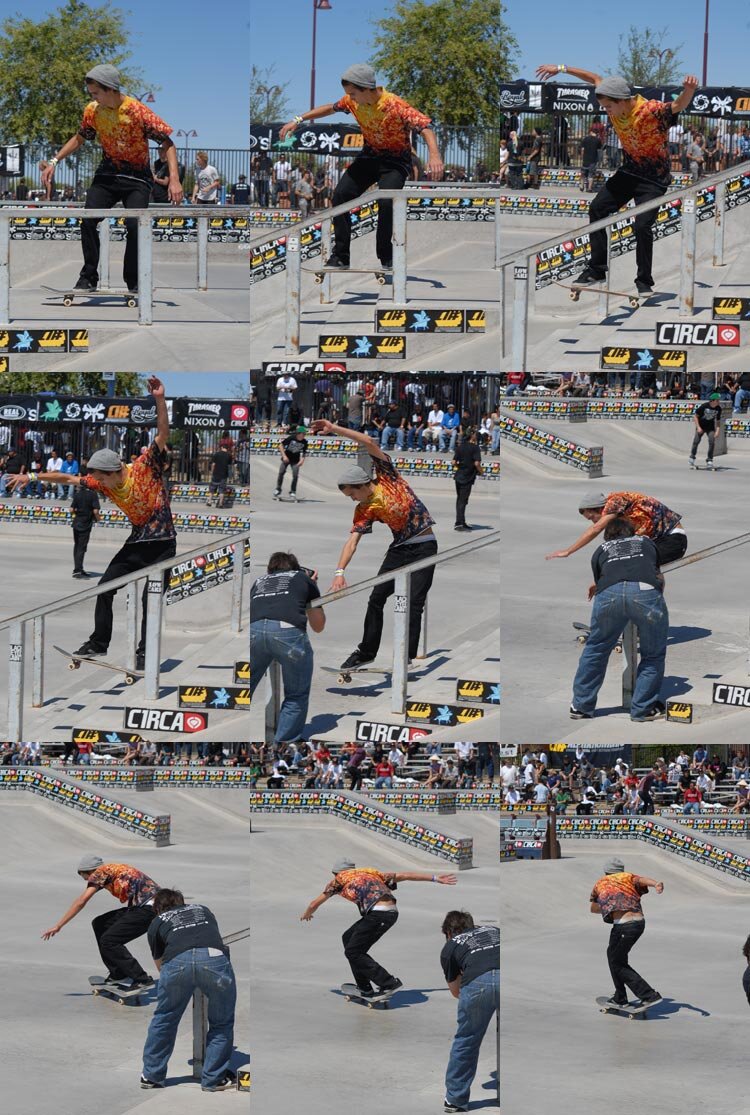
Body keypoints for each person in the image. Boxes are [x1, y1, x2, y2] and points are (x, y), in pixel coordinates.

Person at [10, 378, 175, 671]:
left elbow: (162, 432)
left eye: (99, 478)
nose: (95, 484)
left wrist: (160, 399)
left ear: (112, 472)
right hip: (137, 543)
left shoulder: (143, 467)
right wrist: (32, 477)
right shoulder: (104, 483)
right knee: (103, 588)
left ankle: (144, 652)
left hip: (163, 544)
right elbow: (67, 478)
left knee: (150, 601)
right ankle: (98, 644)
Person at [536, 63, 698, 293]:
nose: (607, 112)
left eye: (609, 107)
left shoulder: (650, 110)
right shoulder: (610, 93)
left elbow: (677, 105)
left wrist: (689, 90)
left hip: (653, 180)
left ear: (622, 100)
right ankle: (597, 269)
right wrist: (561, 68)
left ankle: (644, 281)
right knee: (597, 209)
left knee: (642, 226)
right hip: (629, 171)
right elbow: (593, 76)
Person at [279, 63, 443, 271]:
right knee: (340, 196)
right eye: (349, 94)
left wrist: (435, 155)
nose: (351, 98)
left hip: (395, 163)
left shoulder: (395, 105)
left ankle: (386, 256)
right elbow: (330, 108)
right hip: (368, 159)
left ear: (367, 89)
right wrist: (298, 119)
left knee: (386, 201)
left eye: (354, 93)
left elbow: (425, 128)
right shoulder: (351, 101)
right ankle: (341, 256)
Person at [309, 419, 437, 671]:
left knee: (414, 602)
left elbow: (368, 442)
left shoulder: (388, 477)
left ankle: (406, 656)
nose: (352, 499)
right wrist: (339, 572)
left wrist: (334, 429)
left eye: (352, 494)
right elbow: (352, 540)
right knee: (376, 598)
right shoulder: (364, 509)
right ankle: (366, 652)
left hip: (424, 545)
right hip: (400, 549)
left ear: (362, 484)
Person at [41, 65, 183, 292]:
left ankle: (134, 280)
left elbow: (168, 144)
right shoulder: (93, 111)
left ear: (110, 89)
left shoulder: (138, 112)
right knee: (88, 219)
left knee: (135, 225)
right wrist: (54, 162)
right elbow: (80, 138)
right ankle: (88, 277)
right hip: (107, 175)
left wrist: (174, 180)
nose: (93, 98)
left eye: (96, 93)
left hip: (137, 179)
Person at [300, 859, 456, 998]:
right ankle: (364, 987)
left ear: (336, 873)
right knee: (348, 939)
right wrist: (435, 878)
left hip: (378, 915)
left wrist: (307, 914)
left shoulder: (339, 879)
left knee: (353, 952)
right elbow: (405, 875)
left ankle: (389, 983)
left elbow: (314, 904)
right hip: (389, 913)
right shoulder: (372, 873)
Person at [570, 518, 669, 722]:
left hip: (609, 594)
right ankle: (643, 709)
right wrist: (656, 600)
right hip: (645, 592)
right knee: (653, 654)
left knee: (596, 648)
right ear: (631, 531)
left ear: (608, 536)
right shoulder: (645, 542)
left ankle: (581, 707)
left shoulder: (601, 549)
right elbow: (658, 574)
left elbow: (600, 580)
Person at [140, 888, 237, 1091]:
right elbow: (213, 937)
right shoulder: (202, 909)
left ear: (157, 908)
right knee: (221, 1022)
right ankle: (214, 1079)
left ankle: (152, 1076)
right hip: (213, 959)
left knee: (165, 1018)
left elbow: (160, 965)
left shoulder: (156, 923)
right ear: (182, 902)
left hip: (176, 963)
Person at [41, 854, 159, 989]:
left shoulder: (99, 873)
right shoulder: (112, 869)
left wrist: (59, 925)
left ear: (88, 871)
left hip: (148, 909)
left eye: (83, 876)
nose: (86, 880)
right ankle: (118, 973)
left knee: (109, 941)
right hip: (146, 906)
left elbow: (81, 901)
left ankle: (141, 979)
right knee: (100, 923)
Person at [249, 552, 325, 744]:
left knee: (245, 686)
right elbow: (319, 626)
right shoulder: (302, 578)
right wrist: (312, 587)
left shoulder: (259, 581)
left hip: (254, 631)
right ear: (296, 568)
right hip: (288, 633)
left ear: (270, 570)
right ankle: (285, 742)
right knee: (296, 694)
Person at [441, 910, 499, 1114]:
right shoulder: (494, 930)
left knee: (467, 1039)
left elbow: (456, 991)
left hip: (478, 983)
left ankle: (456, 1100)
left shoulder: (451, 946)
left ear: (448, 932)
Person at [590, 857, 663, 1010]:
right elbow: (642, 880)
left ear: (606, 871)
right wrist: (656, 884)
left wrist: (609, 904)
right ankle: (620, 997)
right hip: (637, 924)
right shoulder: (628, 877)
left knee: (617, 962)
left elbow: (593, 908)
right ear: (621, 871)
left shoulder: (601, 882)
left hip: (625, 926)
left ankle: (649, 995)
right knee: (612, 956)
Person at [547, 488, 688, 567]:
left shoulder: (615, 501)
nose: (593, 523)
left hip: (672, 540)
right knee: (628, 560)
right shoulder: (622, 512)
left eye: (592, 518)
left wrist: (568, 551)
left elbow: (596, 529)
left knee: (639, 565)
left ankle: (651, 605)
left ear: (598, 509)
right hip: (660, 541)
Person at [453, 427, 483, 532]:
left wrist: (461, 467)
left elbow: (453, 462)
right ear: (472, 435)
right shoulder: (475, 448)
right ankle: (458, 524)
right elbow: (477, 463)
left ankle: (462, 521)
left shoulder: (460, 447)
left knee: (461, 500)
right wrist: (481, 471)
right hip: (467, 478)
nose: (477, 435)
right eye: (476, 434)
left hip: (458, 476)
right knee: (462, 501)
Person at [71, 481, 101, 578]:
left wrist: (77, 515)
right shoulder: (93, 495)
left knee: (77, 546)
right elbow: (95, 510)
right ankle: (77, 570)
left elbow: (71, 509)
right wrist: (98, 519)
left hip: (76, 523)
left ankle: (78, 568)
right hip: (85, 524)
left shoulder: (78, 494)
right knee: (82, 547)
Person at [273, 425, 308, 502]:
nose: (304, 436)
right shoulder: (291, 438)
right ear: (299, 433)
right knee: (281, 472)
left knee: (295, 475)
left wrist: (302, 460)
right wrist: (284, 456)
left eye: (305, 434)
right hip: (286, 458)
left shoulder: (305, 442)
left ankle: (293, 492)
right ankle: (278, 489)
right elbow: (280, 445)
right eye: (303, 434)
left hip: (295, 460)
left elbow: (304, 452)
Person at [689, 391, 722, 468]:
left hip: (710, 428)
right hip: (701, 426)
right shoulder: (704, 406)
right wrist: (698, 427)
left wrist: (717, 431)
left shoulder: (718, 409)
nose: (719, 402)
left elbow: (718, 421)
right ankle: (692, 457)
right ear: (713, 400)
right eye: (717, 400)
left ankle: (709, 460)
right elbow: (695, 416)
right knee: (696, 441)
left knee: (712, 442)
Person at [152, 139, 185, 204]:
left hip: (165, 196)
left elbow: (165, 182)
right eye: (159, 150)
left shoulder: (169, 164)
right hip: (156, 195)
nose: (160, 152)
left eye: (162, 150)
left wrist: (155, 178)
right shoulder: (156, 163)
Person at [207, 442, 233, 508]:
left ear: (222, 447)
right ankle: (220, 504)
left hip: (216, 474)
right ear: (227, 448)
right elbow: (229, 466)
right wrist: (230, 477)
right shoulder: (229, 455)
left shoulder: (216, 454)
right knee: (222, 490)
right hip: (224, 475)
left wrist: (212, 472)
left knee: (212, 488)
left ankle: (209, 501)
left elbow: (213, 464)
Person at [580, 125, 602, 192]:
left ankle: (582, 186)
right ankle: (589, 188)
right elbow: (599, 150)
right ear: (597, 133)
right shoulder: (598, 140)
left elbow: (582, 149)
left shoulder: (585, 139)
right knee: (591, 174)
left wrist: (582, 157)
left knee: (583, 174)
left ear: (591, 132)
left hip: (585, 159)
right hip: (593, 160)